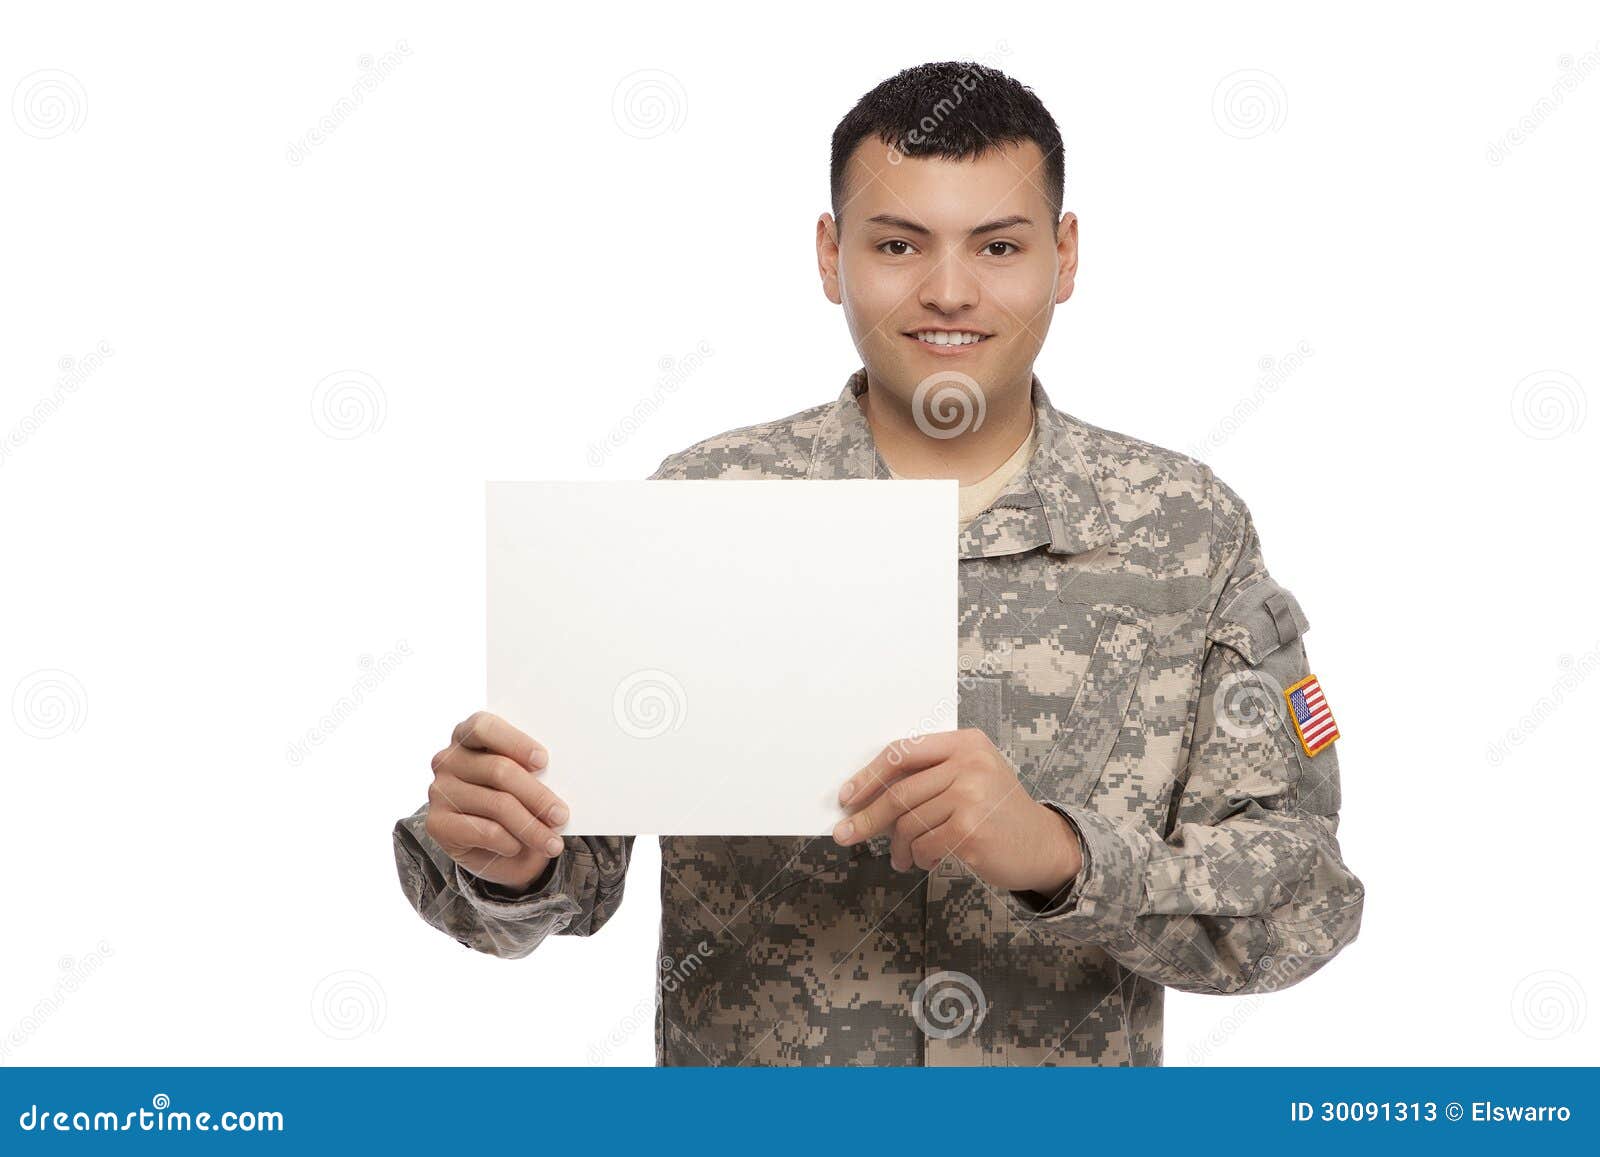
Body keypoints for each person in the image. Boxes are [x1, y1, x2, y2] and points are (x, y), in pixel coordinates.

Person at [391, 60, 1365, 1066]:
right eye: (898, 244)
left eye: (998, 245)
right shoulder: (704, 504)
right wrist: (502, 857)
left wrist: (1058, 854)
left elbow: (1299, 904)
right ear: (830, 253)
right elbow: (563, 878)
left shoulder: (1183, 529)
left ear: (1064, 256)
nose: (949, 290)